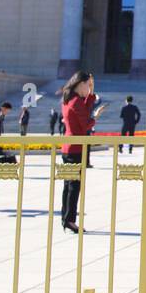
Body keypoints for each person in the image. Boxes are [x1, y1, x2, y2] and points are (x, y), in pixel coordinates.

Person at [59, 70, 101, 233]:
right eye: (87, 85)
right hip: (76, 147)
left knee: (68, 185)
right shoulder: (76, 101)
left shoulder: (68, 99)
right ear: (80, 84)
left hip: (68, 147)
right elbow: (86, 124)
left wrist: (91, 93)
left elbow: (84, 110)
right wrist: (96, 117)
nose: (88, 89)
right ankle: (70, 220)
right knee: (74, 186)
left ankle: (66, 218)